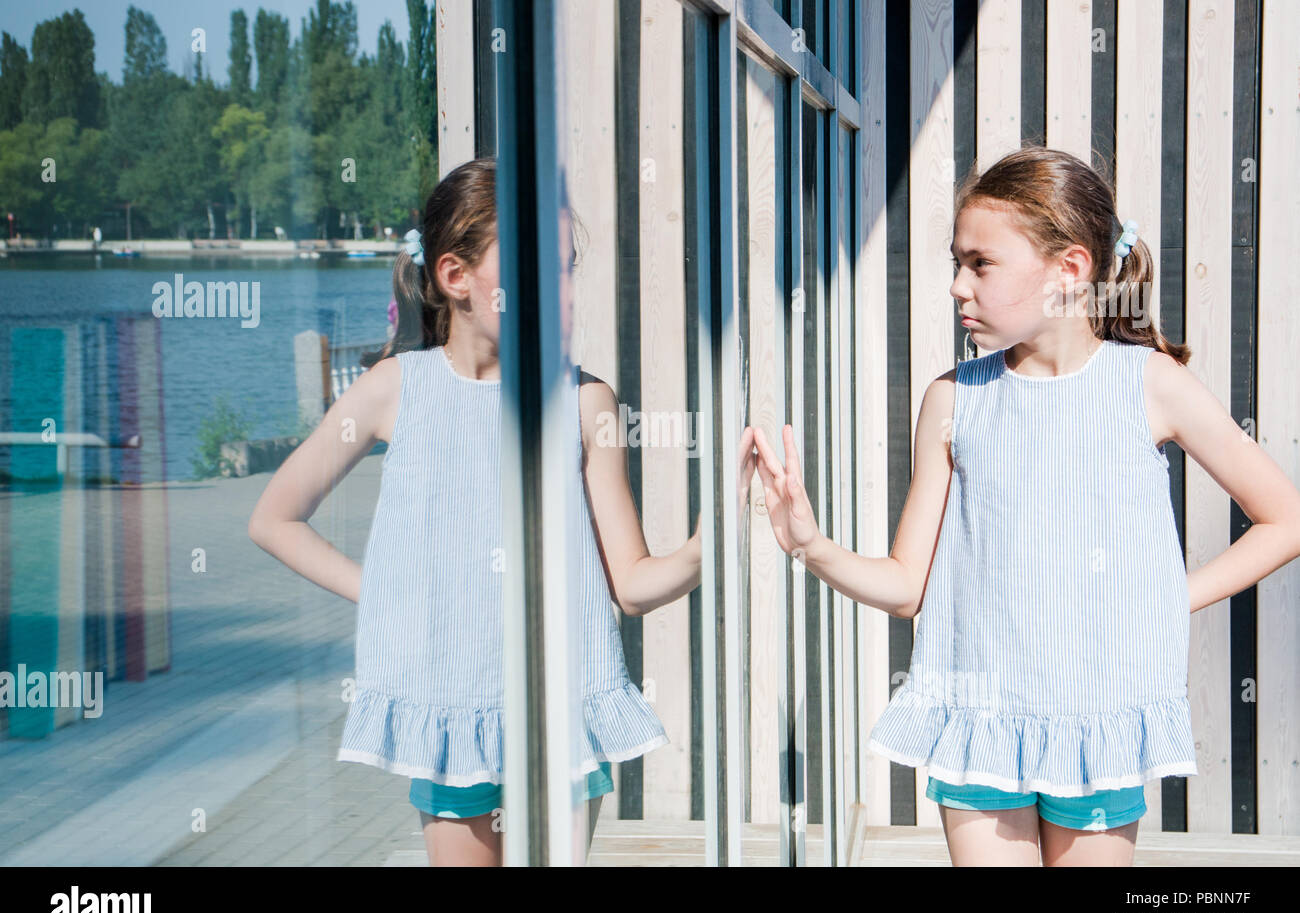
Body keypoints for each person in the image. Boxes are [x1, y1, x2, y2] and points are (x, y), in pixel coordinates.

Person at [750, 145, 1300, 866]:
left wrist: (1169, 594)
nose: (957, 286)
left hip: (1098, 728)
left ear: (1069, 269)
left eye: (981, 263)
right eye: (957, 263)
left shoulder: (1151, 385)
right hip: (980, 728)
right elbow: (909, 586)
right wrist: (810, 545)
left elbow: (1285, 519)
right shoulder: (952, 400)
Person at [250, 157, 750, 865]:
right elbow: (274, 518)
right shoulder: (395, 390)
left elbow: (632, 586)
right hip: (451, 715)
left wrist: (708, 542)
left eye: (566, 267)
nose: (563, 289)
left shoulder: (586, 403)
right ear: (455, 277)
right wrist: (385, 592)